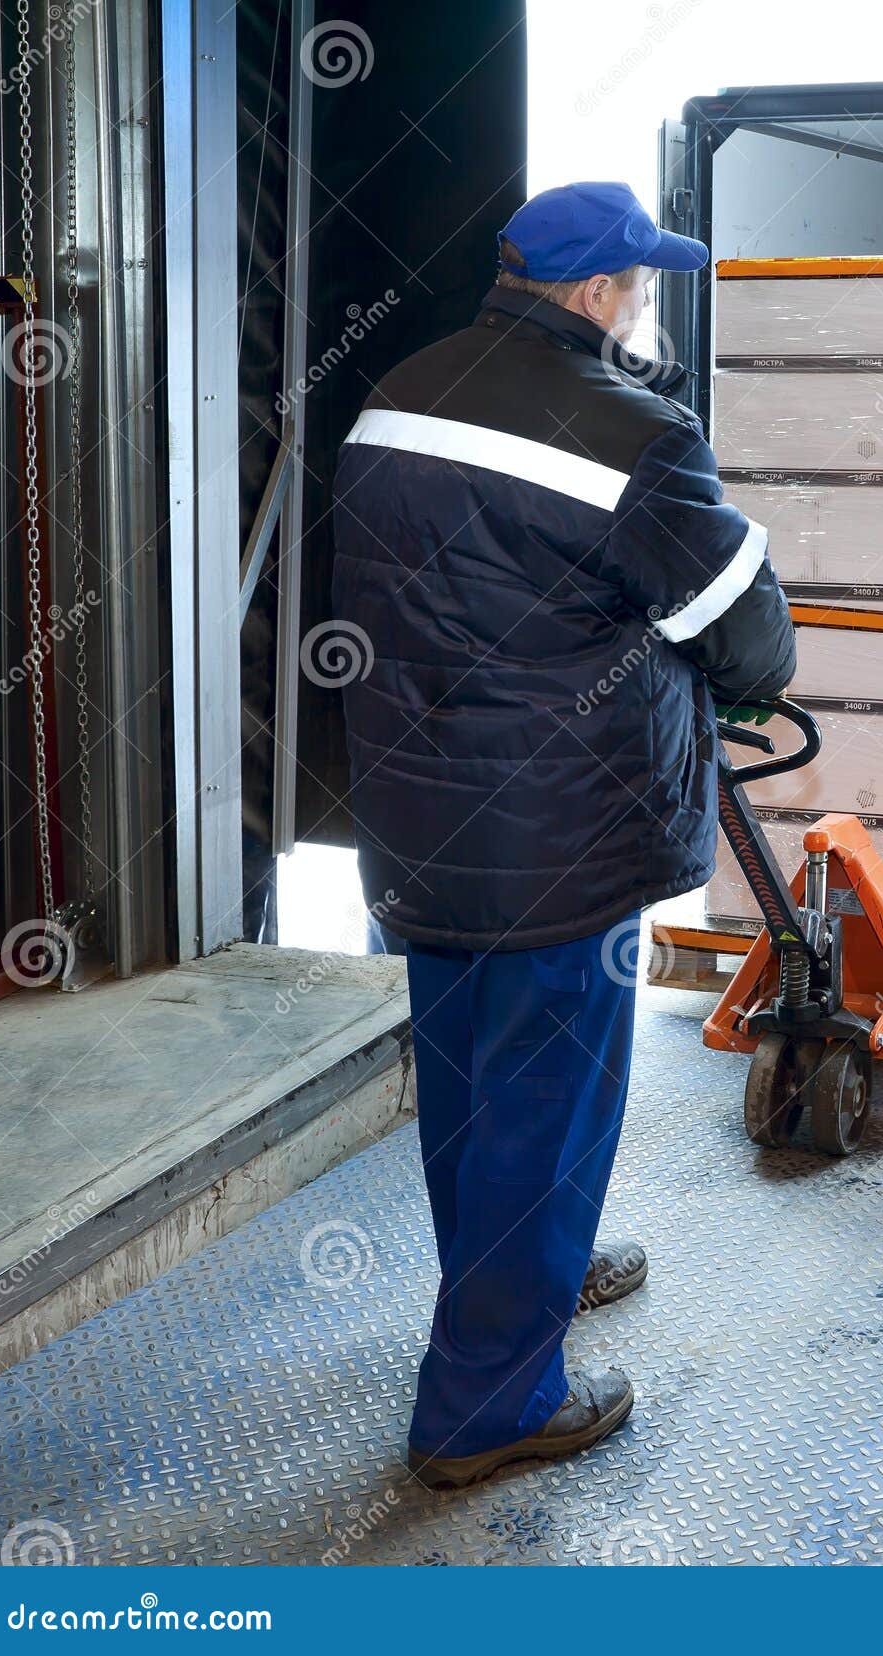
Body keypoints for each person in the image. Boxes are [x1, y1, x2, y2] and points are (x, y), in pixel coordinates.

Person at [331, 181, 795, 1489]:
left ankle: (524, 1271)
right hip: (561, 837)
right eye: (638, 281)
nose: (644, 300)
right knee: (550, 1099)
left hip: (421, 819)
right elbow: (749, 638)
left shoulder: (399, 388)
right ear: (597, 294)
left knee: (472, 1087)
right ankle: (488, 1405)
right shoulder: (628, 431)